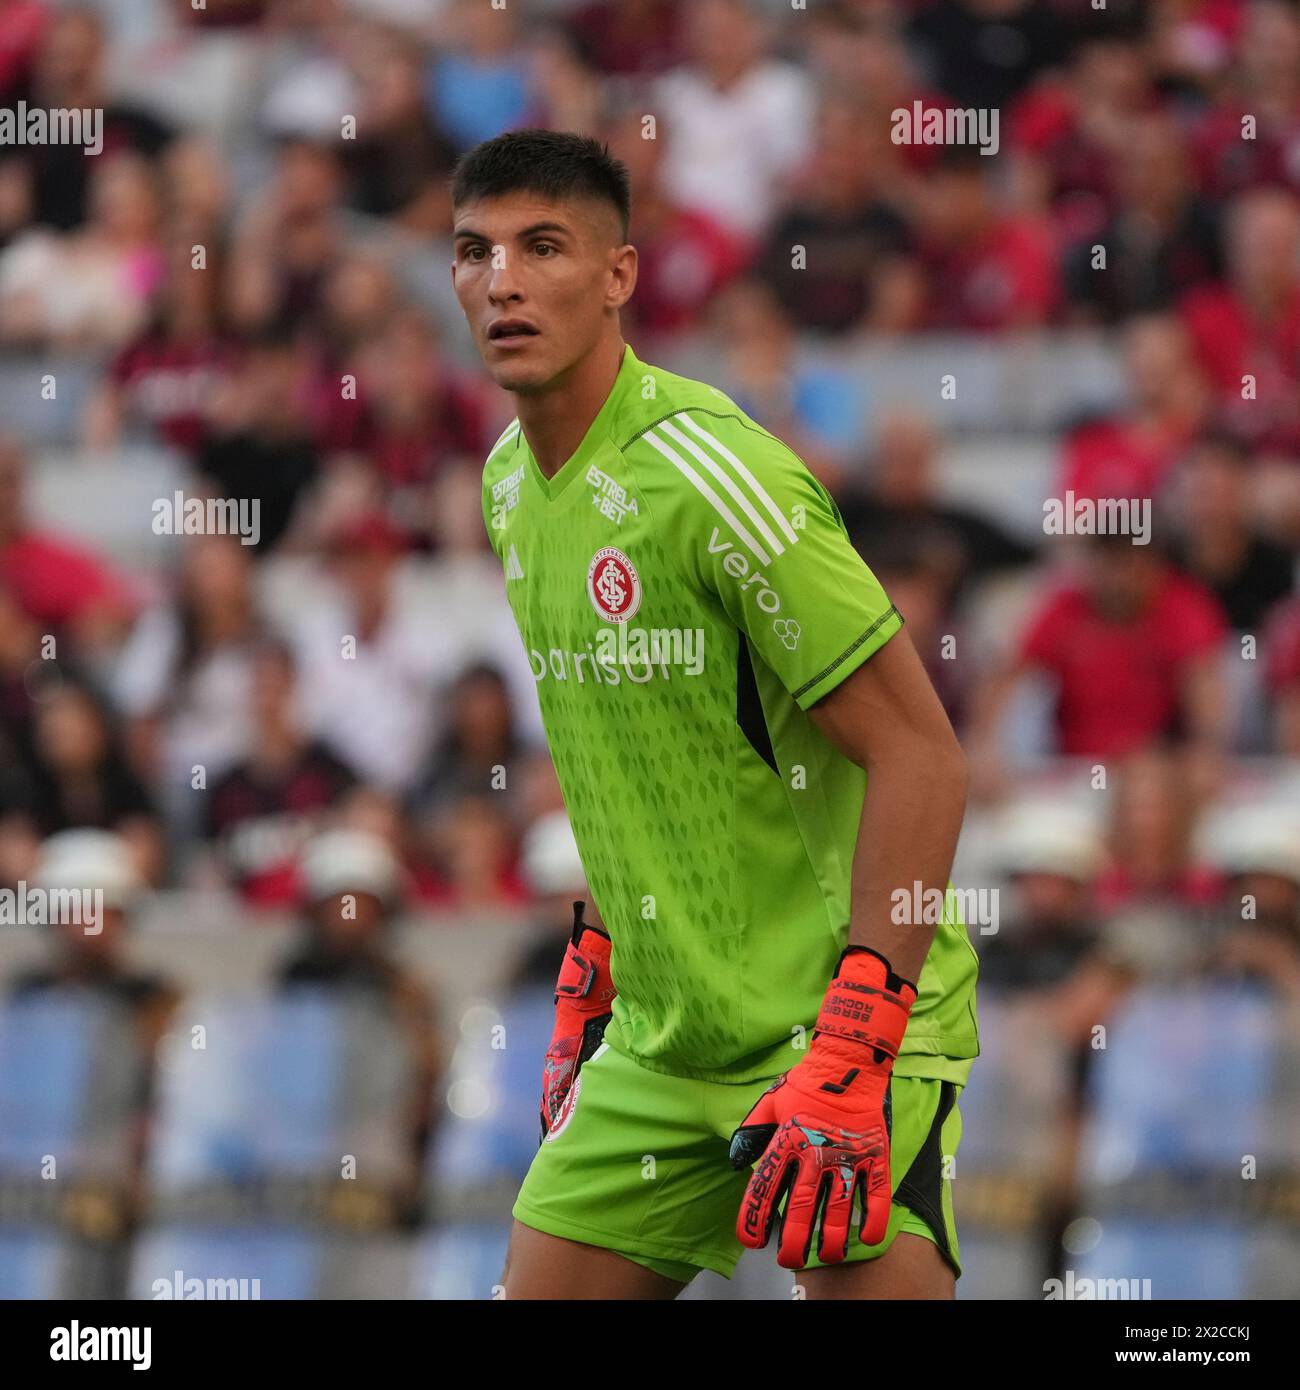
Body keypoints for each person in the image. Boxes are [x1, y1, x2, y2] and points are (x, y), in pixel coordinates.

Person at [451, 129, 977, 1300]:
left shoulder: (714, 476)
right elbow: (623, 747)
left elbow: (922, 759)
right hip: (662, 1031)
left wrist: (861, 1029)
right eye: (475, 252)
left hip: (836, 1021)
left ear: (620, 275)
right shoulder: (503, 486)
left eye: (543, 247)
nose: (504, 281)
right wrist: (596, 953)